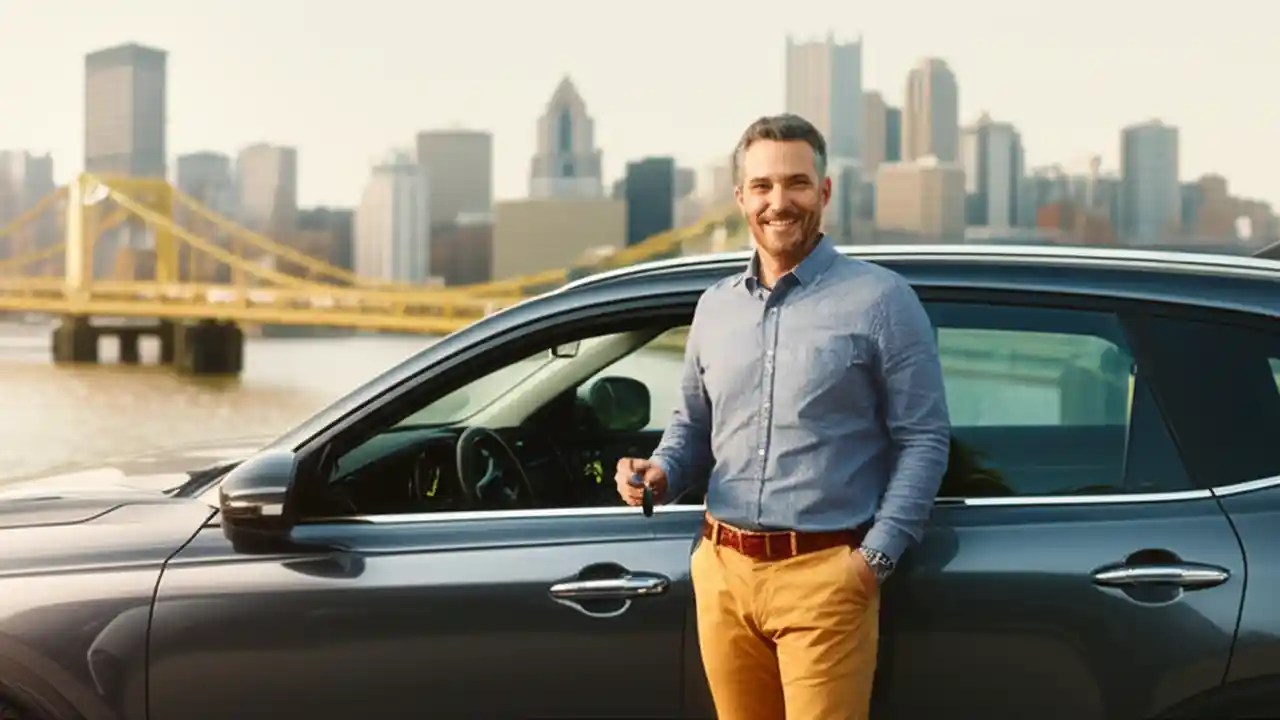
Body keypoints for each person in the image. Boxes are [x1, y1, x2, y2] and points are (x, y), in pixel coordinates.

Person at [615, 114, 951, 720]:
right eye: (763, 186)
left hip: (827, 577)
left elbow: (923, 439)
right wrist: (660, 472)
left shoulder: (881, 301)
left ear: (823, 193)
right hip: (723, 573)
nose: (779, 202)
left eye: (797, 184)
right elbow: (692, 427)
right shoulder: (714, 308)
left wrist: (872, 562)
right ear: (740, 197)